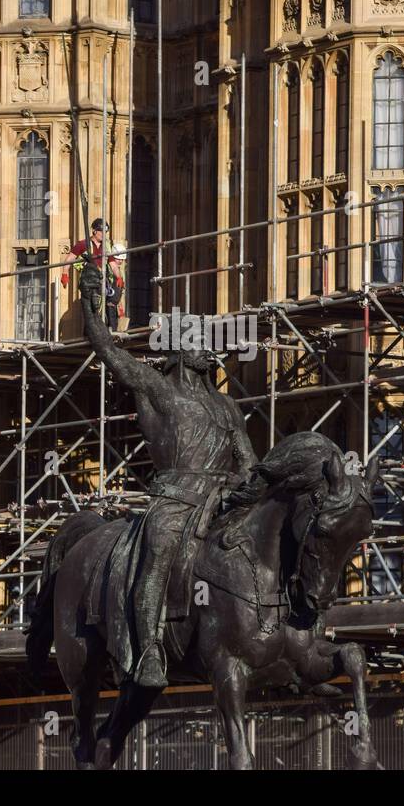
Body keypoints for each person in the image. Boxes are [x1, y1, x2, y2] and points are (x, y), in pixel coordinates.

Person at [78, 264, 257, 689]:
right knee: (157, 550)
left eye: (205, 341)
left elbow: (248, 461)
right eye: (194, 340)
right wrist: (89, 304)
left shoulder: (227, 406)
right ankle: (148, 650)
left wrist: (251, 487)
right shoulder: (158, 388)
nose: (204, 348)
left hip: (223, 501)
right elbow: (107, 349)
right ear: (177, 350)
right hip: (175, 501)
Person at [61, 218, 123, 329]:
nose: (104, 235)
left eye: (106, 232)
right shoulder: (83, 244)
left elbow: (113, 264)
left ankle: (110, 328)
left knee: (107, 305)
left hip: (101, 281)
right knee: (91, 308)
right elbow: (69, 259)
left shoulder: (106, 246)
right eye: (102, 232)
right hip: (89, 282)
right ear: (94, 231)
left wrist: (118, 277)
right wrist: (65, 274)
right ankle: (89, 332)